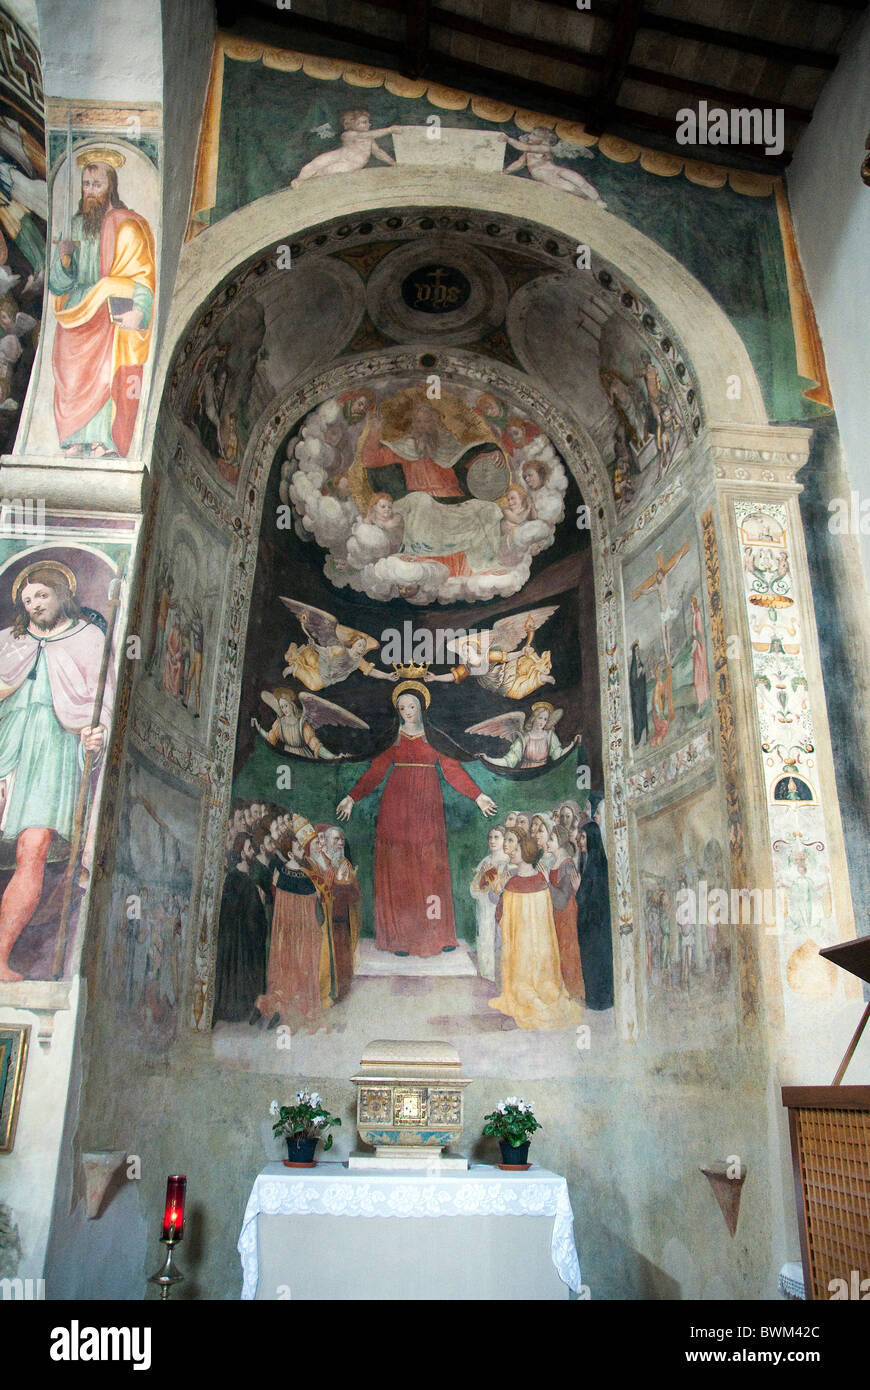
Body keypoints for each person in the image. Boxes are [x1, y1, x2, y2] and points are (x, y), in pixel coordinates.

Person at [0, 561, 112, 981]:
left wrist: (97, 732)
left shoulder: (89, 638)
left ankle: (0, 956)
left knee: (33, 849)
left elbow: (104, 702)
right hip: (6, 746)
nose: (34, 604)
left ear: (61, 594)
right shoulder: (7, 641)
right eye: (27, 599)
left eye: (41, 595)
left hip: (53, 754)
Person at [336, 681, 496, 956]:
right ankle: (399, 938)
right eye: (402, 708)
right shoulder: (393, 739)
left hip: (428, 805)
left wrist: (478, 795)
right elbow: (375, 772)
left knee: (431, 865)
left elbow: (452, 770)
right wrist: (352, 797)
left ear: (421, 707)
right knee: (399, 867)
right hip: (396, 806)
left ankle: (438, 934)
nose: (408, 711)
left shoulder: (434, 738)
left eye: (412, 706)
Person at [50, 151, 155, 458]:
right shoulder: (73, 226)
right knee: (71, 377)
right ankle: (74, 438)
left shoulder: (127, 226)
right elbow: (58, 284)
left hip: (106, 315)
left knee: (103, 376)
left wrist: (139, 310)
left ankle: (101, 439)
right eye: (86, 184)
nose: (91, 191)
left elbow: (143, 278)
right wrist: (64, 258)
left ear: (111, 186)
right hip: (76, 311)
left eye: (97, 184)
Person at [488, 832, 583, 1030]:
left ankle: (524, 1006)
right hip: (540, 946)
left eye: (516, 850)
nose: (512, 852)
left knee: (522, 978)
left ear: (526, 853)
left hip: (521, 947)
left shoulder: (513, 884)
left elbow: (500, 916)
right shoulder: (542, 881)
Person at [255, 820, 324, 1025]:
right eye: (299, 848)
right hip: (300, 935)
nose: (303, 850)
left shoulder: (280, 873)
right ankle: (290, 1008)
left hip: (283, 935)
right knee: (299, 970)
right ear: (291, 854)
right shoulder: (304, 877)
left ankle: (278, 1005)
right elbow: (313, 910)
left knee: (285, 971)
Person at [213, 833, 268, 1025]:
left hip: (233, 941)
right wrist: (262, 904)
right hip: (243, 943)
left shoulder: (231, 879)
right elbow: (255, 920)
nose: (253, 852)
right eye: (249, 848)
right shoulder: (246, 882)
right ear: (242, 854)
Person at [574, 822, 614, 1010]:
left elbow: (591, 898)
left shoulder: (596, 865)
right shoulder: (589, 861)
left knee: (597, 963)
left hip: (596, 927)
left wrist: (578, 889)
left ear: (592, 838)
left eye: (583, 837)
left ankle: (600, 1000)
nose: (579, 841)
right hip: (591, 926)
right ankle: (595, 999)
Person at [547, 825, 584, 999]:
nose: (547, 843)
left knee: (567, 952)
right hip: (556, 916)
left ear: (560, 842)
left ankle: (573, 992)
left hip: (566, 916)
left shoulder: (567, 865)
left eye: (551, 839)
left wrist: (547, 882)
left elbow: (562, 899)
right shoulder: (554, 863)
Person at [470, 824, 509, 983]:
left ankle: (498, 976)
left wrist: (490, 881)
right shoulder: (485, 861)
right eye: (490, 837)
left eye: (496, 837)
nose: (492, 841)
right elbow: (473, 890)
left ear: (504, 839)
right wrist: (482, 878)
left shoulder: (507, 861)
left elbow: (502, 889)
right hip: (484, 909)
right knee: (485, 939)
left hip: (499, 909)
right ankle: (487, 975)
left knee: (499, 940)